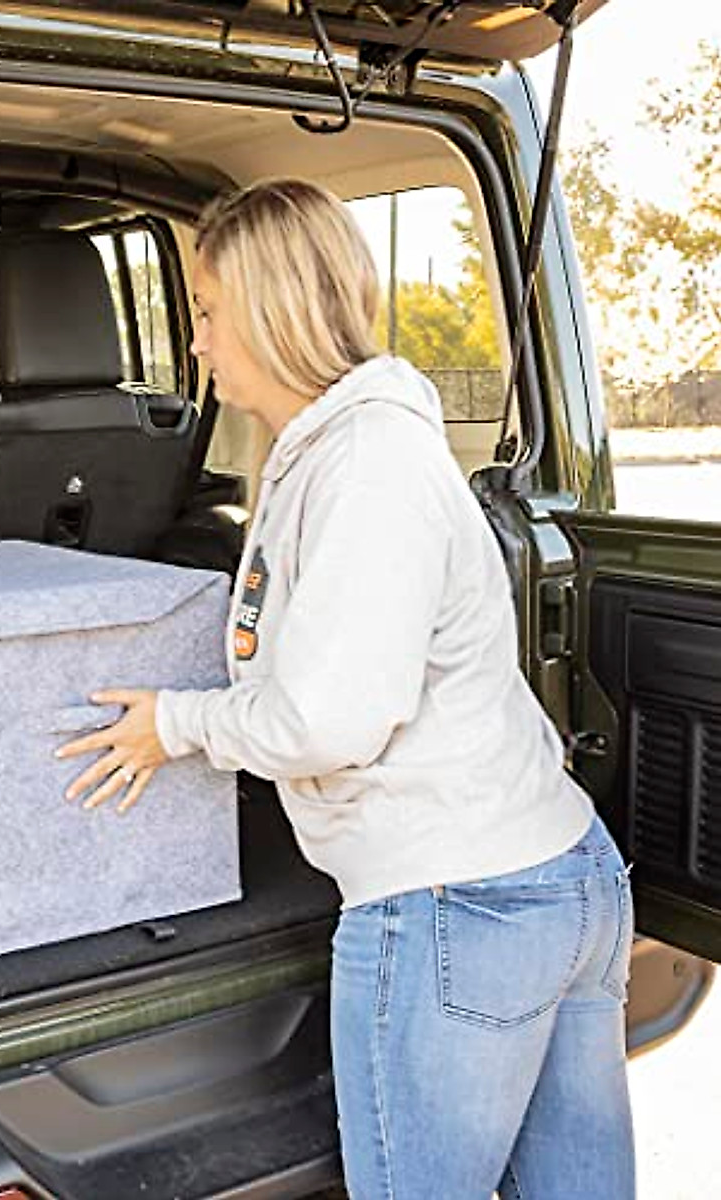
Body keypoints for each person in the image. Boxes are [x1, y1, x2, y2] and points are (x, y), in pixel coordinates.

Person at [54, 178, 636, 1199]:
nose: (198, 341)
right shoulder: (337, 448)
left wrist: (175, 726)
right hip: (546, 874)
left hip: (462, 903)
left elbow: (331, 721)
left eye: (208, 309)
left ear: (275, 310)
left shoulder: (368, 466)